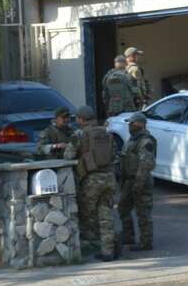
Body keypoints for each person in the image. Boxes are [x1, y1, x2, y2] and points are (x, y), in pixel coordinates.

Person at [65, 105, 118, 261]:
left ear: (81, 119)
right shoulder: (106, 133)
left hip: (91, 180)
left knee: (87, 215)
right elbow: (113, 155)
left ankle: (87, 249)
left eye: (78, 119)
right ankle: (109, 250)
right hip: (109, 177)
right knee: (106, 215)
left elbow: (68, 155)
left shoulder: (80, 134)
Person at [118, 112, 156, 252]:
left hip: (140, 182)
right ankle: (128, 236)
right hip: (128, 180)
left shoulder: (145, 141)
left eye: (132, 123)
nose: (129, 125)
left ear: (140, 124)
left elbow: (145, 165)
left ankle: (146, 242)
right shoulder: (132, 139)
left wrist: (138, 185)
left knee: (143, 213)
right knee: (123, 208)